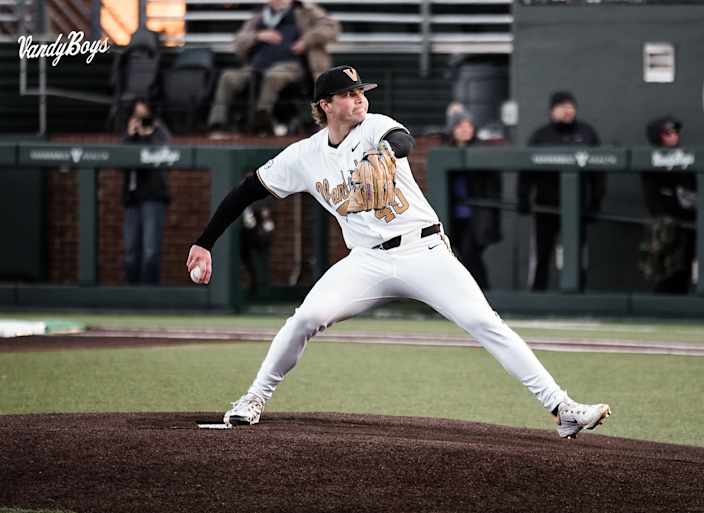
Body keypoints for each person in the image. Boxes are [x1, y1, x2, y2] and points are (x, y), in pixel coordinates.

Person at [186, 66, 610, 438]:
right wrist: (204, 242)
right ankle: (253, 398)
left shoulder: (374, 126)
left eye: (361, 92)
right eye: (350, 94)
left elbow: (401, 138)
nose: (359, 99)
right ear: (325, 105)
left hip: (424, 251)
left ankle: (563, 409)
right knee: (306, 318)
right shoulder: (305, 156)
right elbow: (246, 190)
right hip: (366, 261)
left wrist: (386, 151)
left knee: (485, 322)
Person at [206, 0, 339, 137]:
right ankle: (218, 124)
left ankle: (261, 119)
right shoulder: (260, 16)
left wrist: (306, 41)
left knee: (274, 75)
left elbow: (331, 28)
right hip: (256, 65)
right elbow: (238, 42)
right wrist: (258, 36)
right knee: (229, 77)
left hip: (292, 65)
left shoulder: (305, 11)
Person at [518, 91, 603, 290]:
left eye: (570, 106)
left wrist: (596, 202)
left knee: (575, 255)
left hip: (577, 208)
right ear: (552, 110)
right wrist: (523, 198)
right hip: (545, 207)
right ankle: (538, 297)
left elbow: (599, 174)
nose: (567, 110)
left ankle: (577, 296)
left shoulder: (586, 133)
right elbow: (526, 172)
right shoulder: (541, 135)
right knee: (542, 254)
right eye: (562, 106)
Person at [446, 104, 502, 290]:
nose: (465, 130)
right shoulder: (446, 151)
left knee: (471, 255)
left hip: (477, 217)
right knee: (460, 257)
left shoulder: (482, 152)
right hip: (454, 217)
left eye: (469, 126)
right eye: (460, 126)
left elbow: (493, 186)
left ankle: (485, 294)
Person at [639, 116, 695, 294]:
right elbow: (652, 199)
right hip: (663, 226)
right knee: (661, 270)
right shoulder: (650, 162)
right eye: (667, 133)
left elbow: (693, 193)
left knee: (683, 269)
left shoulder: (687, 158)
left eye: (675, 132)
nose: (673, 136)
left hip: (688, 225)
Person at [122, 98, 171, 285]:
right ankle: (131, 295)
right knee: (130, 252)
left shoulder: (159, 131)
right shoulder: (130, 136)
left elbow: (165, 156)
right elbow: (118, 159)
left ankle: (150, 294)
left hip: (153, 196)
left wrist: (148, 135)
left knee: (151, 251)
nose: (141, 120)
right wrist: (130, 135)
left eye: (144, 116)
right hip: (132, 198)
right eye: (137, 116)